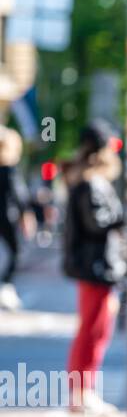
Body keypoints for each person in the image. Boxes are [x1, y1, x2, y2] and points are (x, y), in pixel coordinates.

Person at [63, 122, 127, 411]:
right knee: (94, 330)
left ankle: (81, 391)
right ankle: (82, 392)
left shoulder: (84, 181)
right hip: (96, 267)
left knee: (93, 329)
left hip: (95, 266)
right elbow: (96, 223)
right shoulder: (90, 184)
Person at [0, 126, 34, 310]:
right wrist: (25, 215)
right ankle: (4, 286)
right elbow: (18, 194)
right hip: (6, 216)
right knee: (16, 252)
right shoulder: (10, 169)